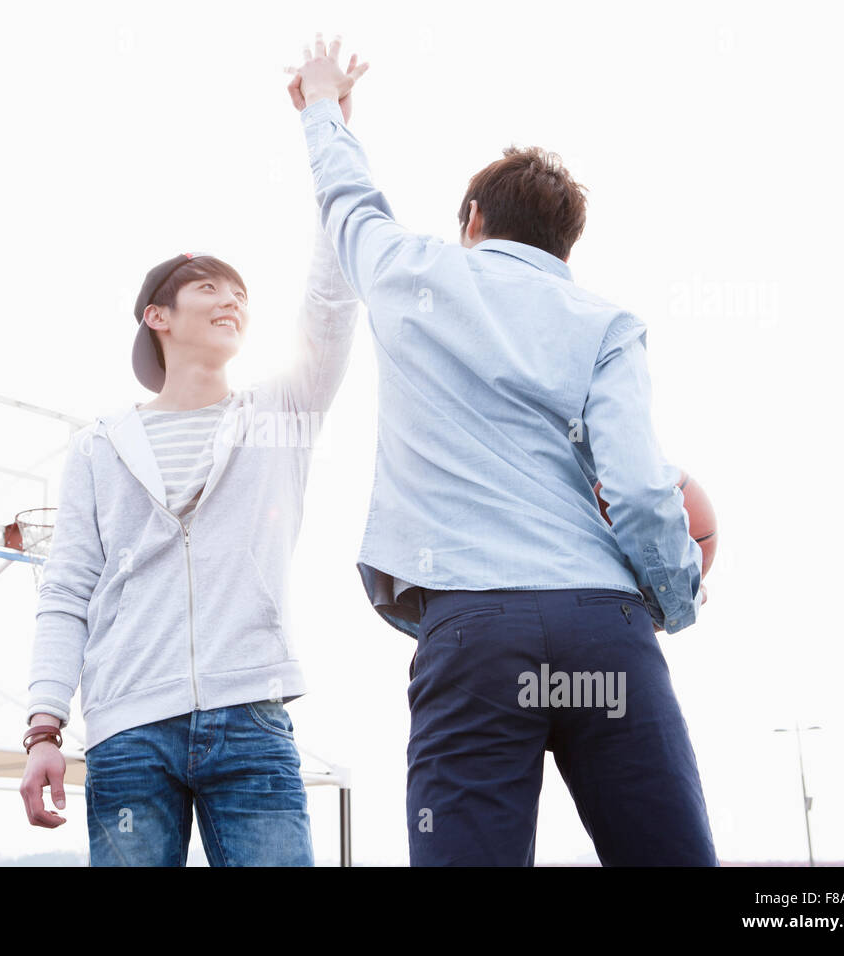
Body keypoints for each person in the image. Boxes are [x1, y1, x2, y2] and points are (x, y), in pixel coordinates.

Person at [285, 34, 717, 866]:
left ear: (472, 221)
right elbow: (636, 489)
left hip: (473, 630)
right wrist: (674, 600)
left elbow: (348, 198)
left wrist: (321, 106)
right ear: (567, 244)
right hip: (603, 626)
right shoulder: (607, 325)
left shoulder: (410, 273)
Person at [18, 96, 362, 867]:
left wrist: (329, 132)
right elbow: (66, 591)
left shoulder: (280, 412)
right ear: (157, 316)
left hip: (252, 716)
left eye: (241, 292)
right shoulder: (100, 449)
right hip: (128, 728)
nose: (232, 299)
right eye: (209, 287)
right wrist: (45, 725)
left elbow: (334, 302)